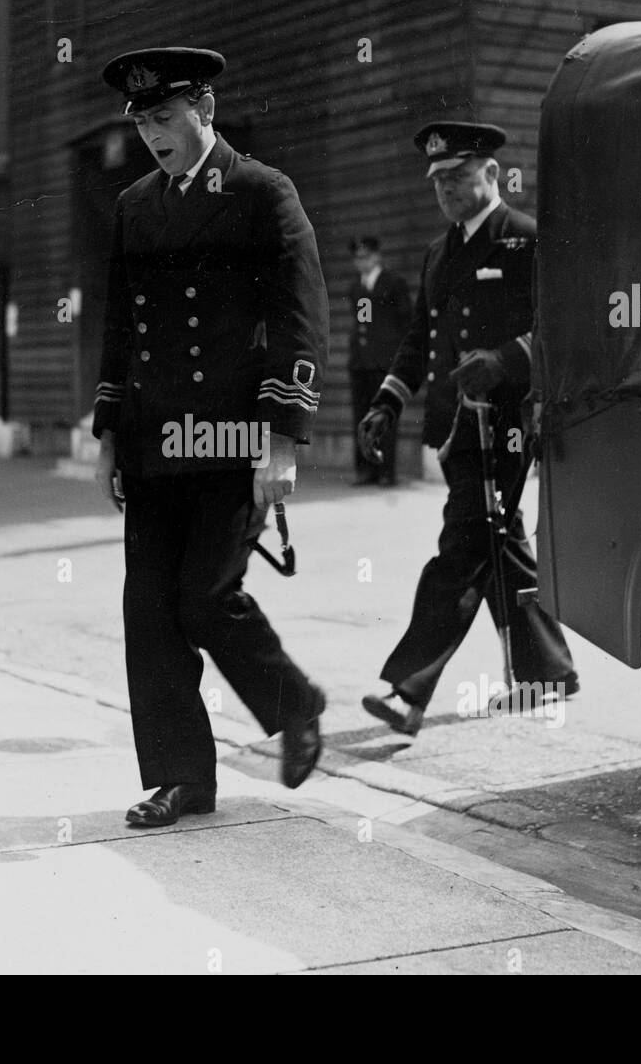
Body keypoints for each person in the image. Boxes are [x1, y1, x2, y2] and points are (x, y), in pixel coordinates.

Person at [92, 47, 330, 826]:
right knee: (150, 614)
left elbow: (298, 317)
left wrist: (282, 438)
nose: (153, 135)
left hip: (232, 441)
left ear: (206, 109)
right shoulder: (134, 205)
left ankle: (294, 704)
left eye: (164, 117)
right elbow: (121, 328)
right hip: (156, 444)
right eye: (142, 122)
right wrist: (109, 436)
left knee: (205, 596)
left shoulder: (263, 193)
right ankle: (181, 778)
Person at [357, 121, 577, 736]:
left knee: (462, 546)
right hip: (456, 428)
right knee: (499, 542)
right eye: (438, 182)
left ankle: (409, 691)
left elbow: (567, 325)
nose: (446, 191)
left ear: (491, 175)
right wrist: (388, 401)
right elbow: (420, 340)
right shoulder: (439, 253)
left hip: (505, 424)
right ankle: (546, 675)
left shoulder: (526, 239)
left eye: (457, 177)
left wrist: (507, 359)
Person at [345, 236, 412, 486]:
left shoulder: (393, 283)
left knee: (384, 416)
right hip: (361, 363)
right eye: (357, 258)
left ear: (377, 256)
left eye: (366, 256)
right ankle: (366, 470)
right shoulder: (357, 288)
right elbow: (363, 322)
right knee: (361, 417)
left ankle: (386, 472)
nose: (361, 262)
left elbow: (406, 322)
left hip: (385, 363)